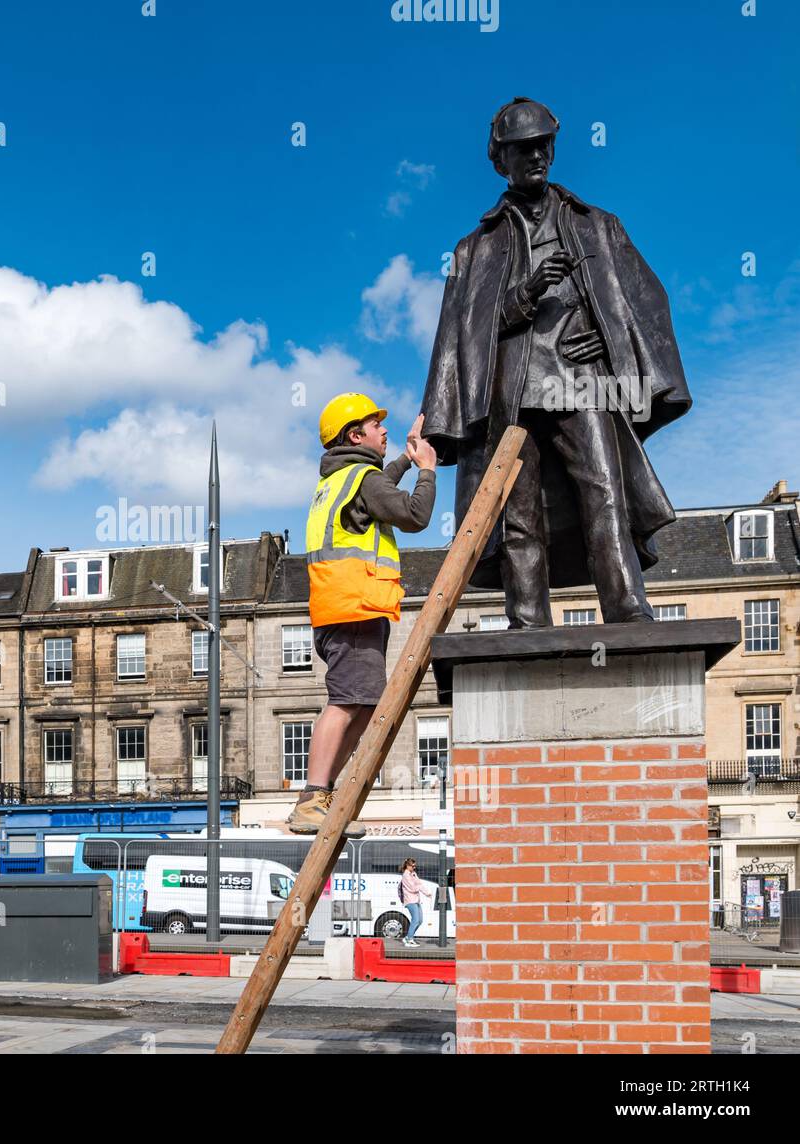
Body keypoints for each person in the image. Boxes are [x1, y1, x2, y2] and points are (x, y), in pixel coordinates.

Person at [421, 97, 691, 628]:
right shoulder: (474, 248)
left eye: (544, 144)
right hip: (512, 395)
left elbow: (645, 303)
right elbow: (461, 335)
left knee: (605, 492)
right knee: (517, 515)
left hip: (582, 383)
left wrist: (610, 343)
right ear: (501, 159)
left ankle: (628, 610)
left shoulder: (596, 226)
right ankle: (527, 622)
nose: (537, 155)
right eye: (524, 148)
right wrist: (524, 294)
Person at [287, 393, 436, 835]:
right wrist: (426, 467)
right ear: (356, 435)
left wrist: (405, 462)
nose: (384, 429)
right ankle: (312, 797)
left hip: (343, 608)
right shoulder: (363, 481)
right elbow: (414, 515)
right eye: (376, 424)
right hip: (355, 609)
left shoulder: (338, 481)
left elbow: (378, 489)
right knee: (347, 702)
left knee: (365, 705)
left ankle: (324, 795)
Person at [399, 857, 432, 947]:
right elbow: (413, 888)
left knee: (420, 921)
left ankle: (407, 938)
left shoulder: (413, 873)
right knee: (415, 920)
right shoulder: (405, 875)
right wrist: (420, 888)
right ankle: (409, 939)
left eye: (415, 866)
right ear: (407, 865)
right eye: (413, 866)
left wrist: (427, 893)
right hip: (410, 901)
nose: (414, 867)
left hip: (416, 900)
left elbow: (419, 884)